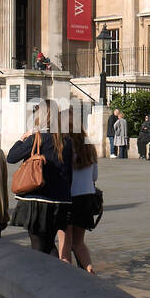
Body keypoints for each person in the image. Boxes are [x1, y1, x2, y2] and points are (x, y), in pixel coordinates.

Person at [7, 101, 73, 254]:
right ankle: (57, 275)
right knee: (50, 244)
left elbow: (11, 157)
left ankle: (41, 276)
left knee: (38, 246)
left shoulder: (37, 138)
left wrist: (22, 139)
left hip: (37, 199)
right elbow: (69, 173)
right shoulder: (67, 141)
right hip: (59, 200)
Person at [58, 114, 98, 271]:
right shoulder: (89, 146)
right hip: (87, 198)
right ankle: (89, 271)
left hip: (69, 198)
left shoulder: (64, 146)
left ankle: (66, 278)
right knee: (79, 243)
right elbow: (95, 176)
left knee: (65, 244)